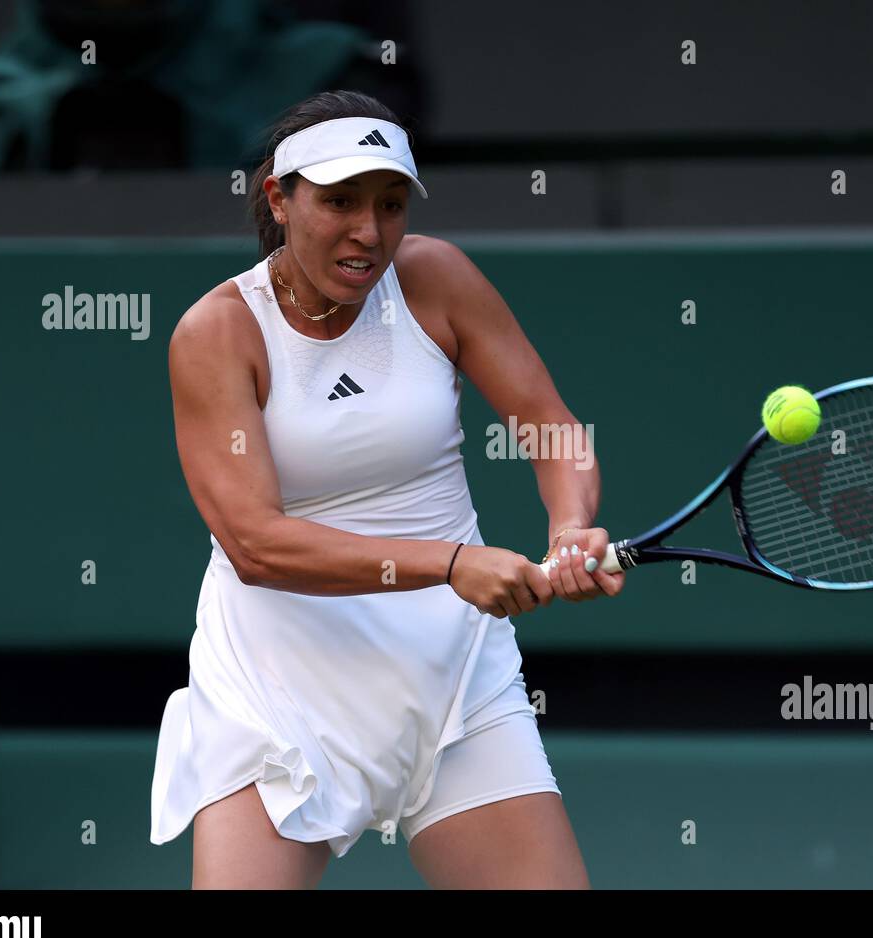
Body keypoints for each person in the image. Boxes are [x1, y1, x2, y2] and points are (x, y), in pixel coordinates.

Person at [149, 90, 624, 889]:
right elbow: (255, 544)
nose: (369, 232)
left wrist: (570, 524)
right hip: (276, 695)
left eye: (390, 204)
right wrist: (451, 564)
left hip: (454, 680)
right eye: (340, 201)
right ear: (279, 198)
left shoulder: (436, 278)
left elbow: (551, 427)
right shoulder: (219, 332)